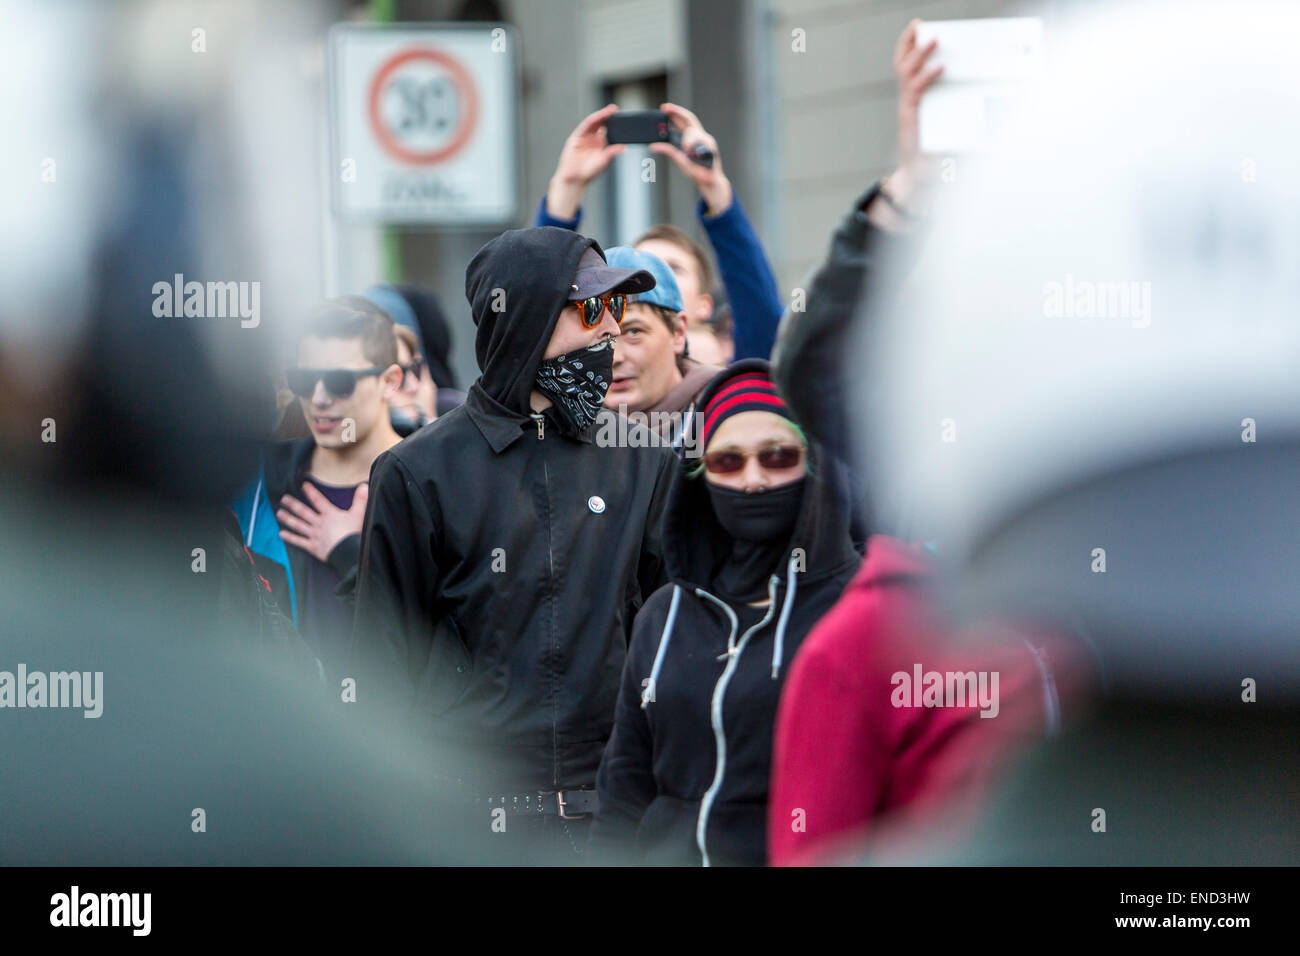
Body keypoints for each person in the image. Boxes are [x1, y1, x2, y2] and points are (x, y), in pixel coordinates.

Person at [350, 227, 676, 860]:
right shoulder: (417, 473)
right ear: (524, 319)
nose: (610, 330)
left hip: (616, 820)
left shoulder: (643, 458)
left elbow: (669, 645)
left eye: (618, 308)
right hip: (469, 825)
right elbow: (382, 672)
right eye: (589, 308)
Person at [589, 361, 859, 865]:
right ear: (701, 475)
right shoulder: (664, 615)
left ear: (813, 464)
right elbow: (624, 788)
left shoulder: (859, 611)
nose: (753, 481)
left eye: (777, 456)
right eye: (728, 462)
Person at [231, 297, 403, 684]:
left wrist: (354, 555)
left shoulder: (433, 483)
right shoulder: (254, 484)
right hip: (286, 729)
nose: (320, 398)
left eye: (341, 381)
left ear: (390, 382)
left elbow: (454, 642)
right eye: (305, 381)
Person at [537, 103, 783, 362]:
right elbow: (537, 302)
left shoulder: (731, 381)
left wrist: (714, 187)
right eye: (640, 270)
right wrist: (568, 185)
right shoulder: (590, 374)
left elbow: (757, 306)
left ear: (703, 306)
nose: (655, 275)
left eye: (673, 268)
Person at [601, 245, 721, 446]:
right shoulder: (564, 433)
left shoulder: (725, 418)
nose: (615, 357)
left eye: (633, 332)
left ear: (678, 333)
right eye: (601, 337)